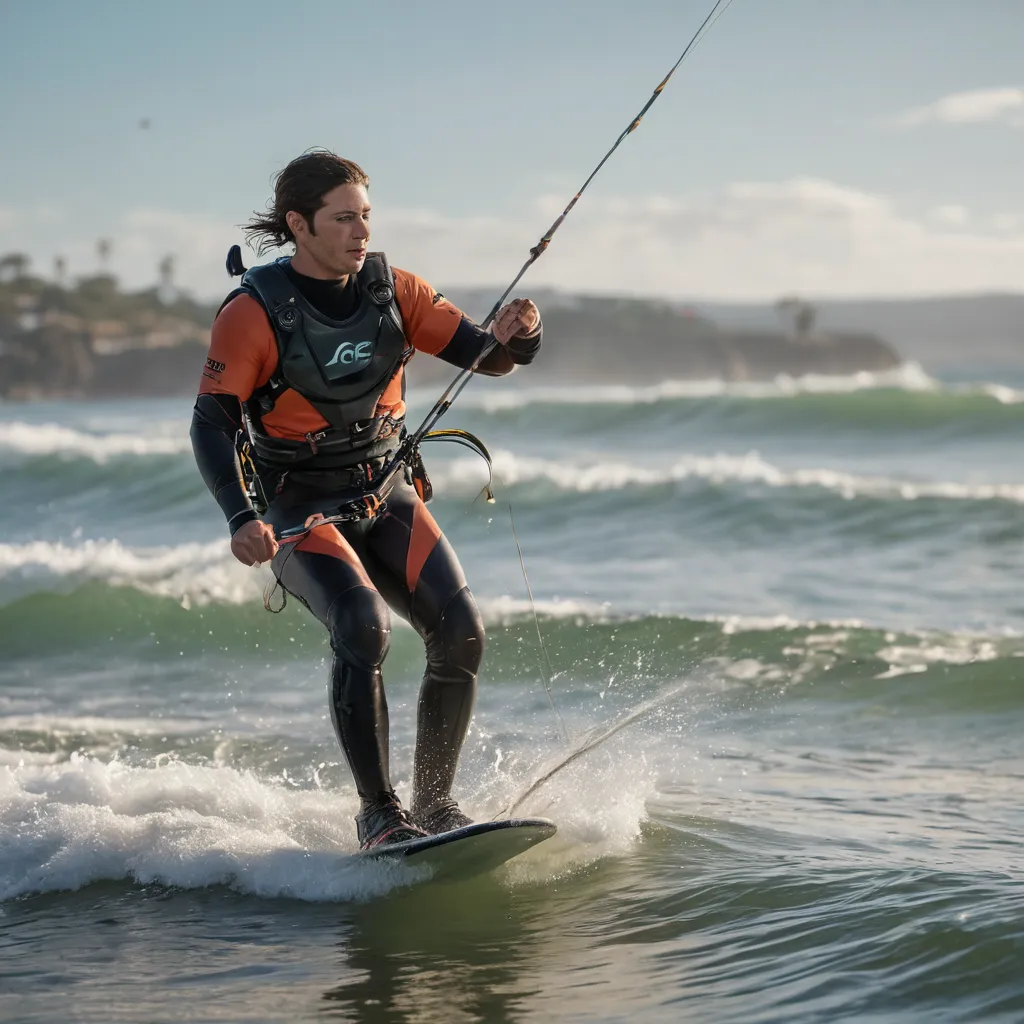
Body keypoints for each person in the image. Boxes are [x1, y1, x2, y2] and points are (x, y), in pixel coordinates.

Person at [190, 150, 542, 849]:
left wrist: (520, 337)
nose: (361, 232)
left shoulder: (395, 292)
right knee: (361, 624)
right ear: (299, 225)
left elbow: (489, 357)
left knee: (461, 631)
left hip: (386, 492)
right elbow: (211, 423)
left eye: (366, 216)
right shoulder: (252, 313)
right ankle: (379, 814)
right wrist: (240, 517)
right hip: (300, 506)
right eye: (343, 218)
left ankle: (435, 808)